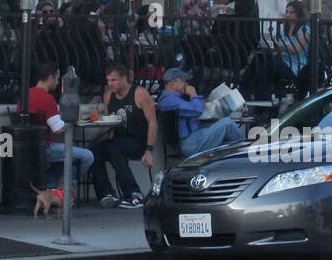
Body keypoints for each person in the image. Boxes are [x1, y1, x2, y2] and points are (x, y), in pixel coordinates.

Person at [90, 63, 157, 209]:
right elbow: (109, 122)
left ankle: (133, 193)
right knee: (94, 150)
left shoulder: (139, 94)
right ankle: (106, 193)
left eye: (114, 80)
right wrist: (96, 137)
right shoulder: (108, 96)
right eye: (108, 80)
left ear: (124, 78)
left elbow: (152, 122)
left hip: (139, 141)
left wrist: (149, 150)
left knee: (115, 148)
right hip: (118, 138)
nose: (110, 84)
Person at [27, 62, 94, 189]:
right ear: (50, 77)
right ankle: (63, 188)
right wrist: (72, 118)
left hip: (29, 148)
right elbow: (58, 129)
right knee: (87, 156)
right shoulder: (47, 98)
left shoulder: (26, 95)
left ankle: (50, 186)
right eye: (57, 79)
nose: (58, 83)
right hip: (45, 148)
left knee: (62, 162)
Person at [156, 68, 244, 157]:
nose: (186, 84)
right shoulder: (168, 100)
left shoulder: (174, 99)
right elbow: (197, 110)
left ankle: (242, 156)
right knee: (227, 123)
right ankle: (246, 151)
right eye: (184, 81)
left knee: (230, 145)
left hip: (195, 138)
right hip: (189, 143)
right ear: (173, 83)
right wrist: (193, 94)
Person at [275, 0, 314, 102]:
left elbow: (296, 49)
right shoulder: (285, 29)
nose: (288, 15)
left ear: (299, 14)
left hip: (296, 67)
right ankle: (260, 99)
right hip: (284, 63)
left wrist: (281, 46)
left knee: (269, 64)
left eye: (291, 12)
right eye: (287, 12)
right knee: (262, 61)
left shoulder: (304, 29)